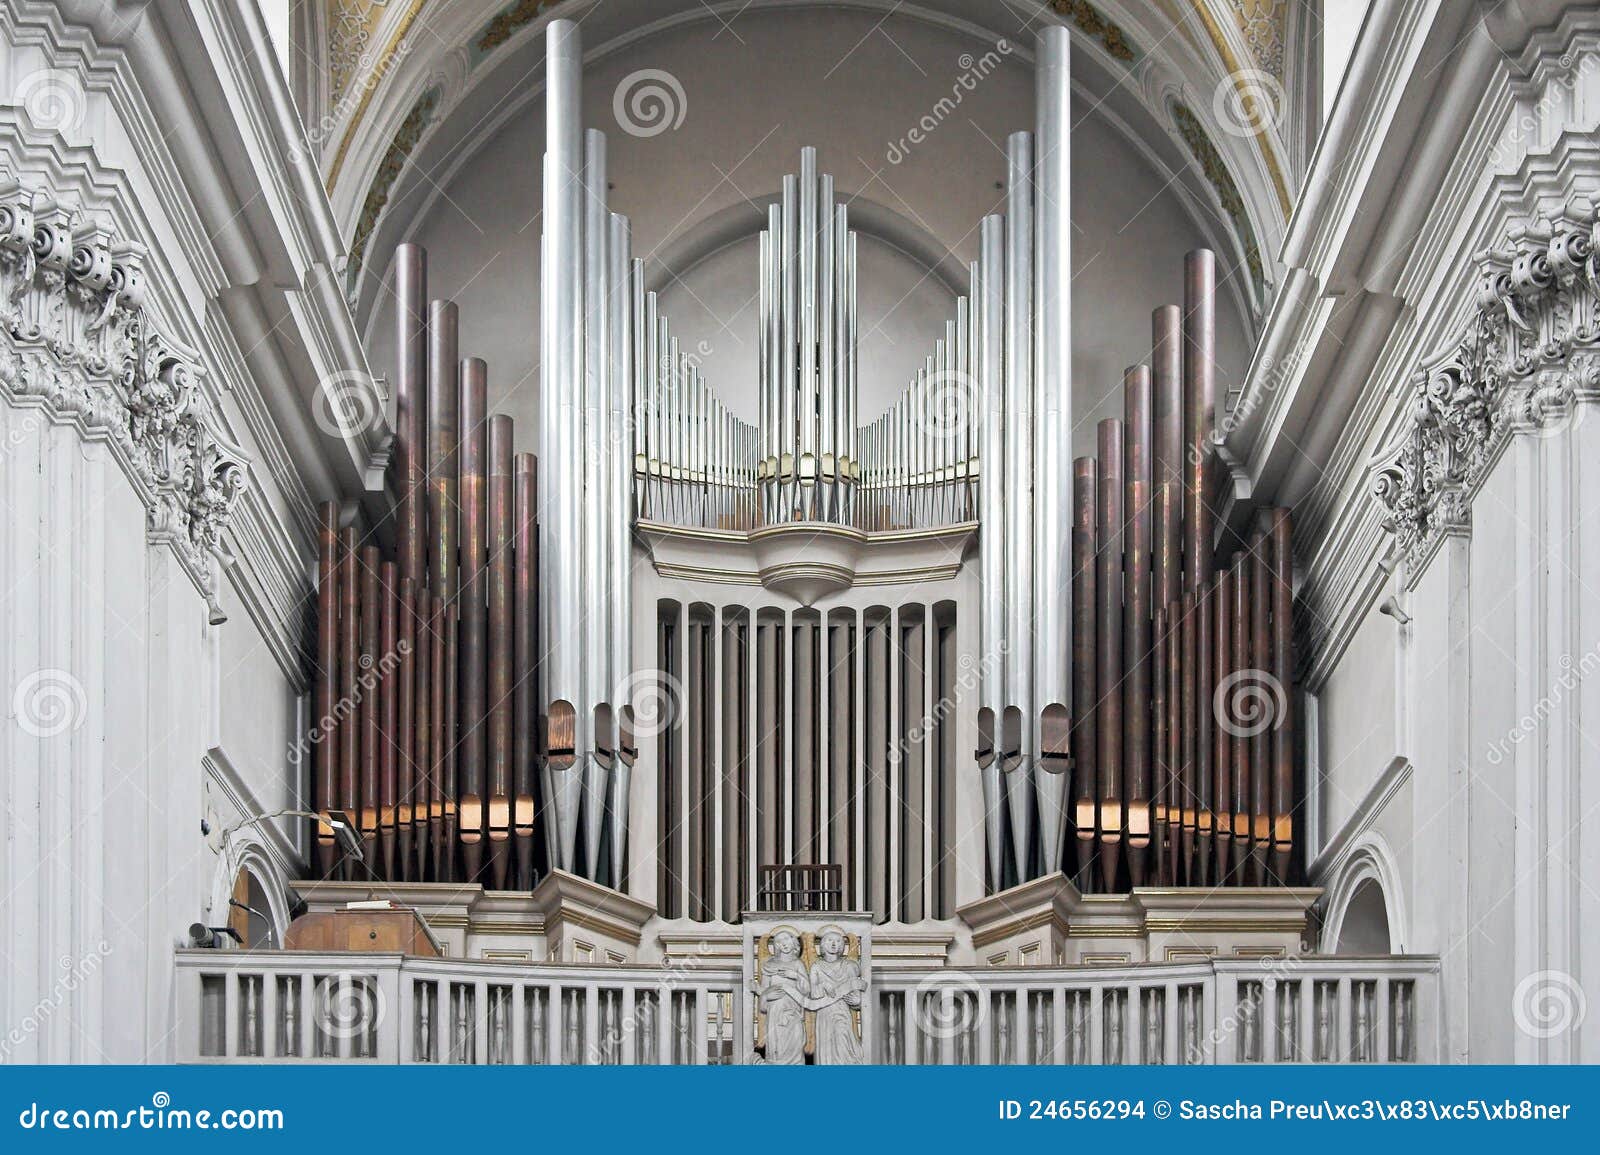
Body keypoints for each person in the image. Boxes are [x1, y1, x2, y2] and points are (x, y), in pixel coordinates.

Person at [809, 928, 864, 1064]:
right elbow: (812, 994)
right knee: (826, 1048)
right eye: (830, 940)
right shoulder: (816, 967)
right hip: (824, 1013)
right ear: (822, 945)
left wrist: (858, 1001)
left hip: (842, 1012)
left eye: (838, 941)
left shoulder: (849, 966)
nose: (834, 944)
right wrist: (822, 986)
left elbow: (857, 993)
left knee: (842, 1041)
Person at [755, 929, 808, 1063]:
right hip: (775, 1013)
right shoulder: (769, 965)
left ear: (793, 942)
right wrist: (766, 996)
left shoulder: (798, 964)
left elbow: (807, 990)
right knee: (776, 1049)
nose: (783, 944)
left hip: (793, 1012)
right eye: (778, 941)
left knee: (796, 1044)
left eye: (786, 939)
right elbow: (764, 992)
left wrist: (795, 976)